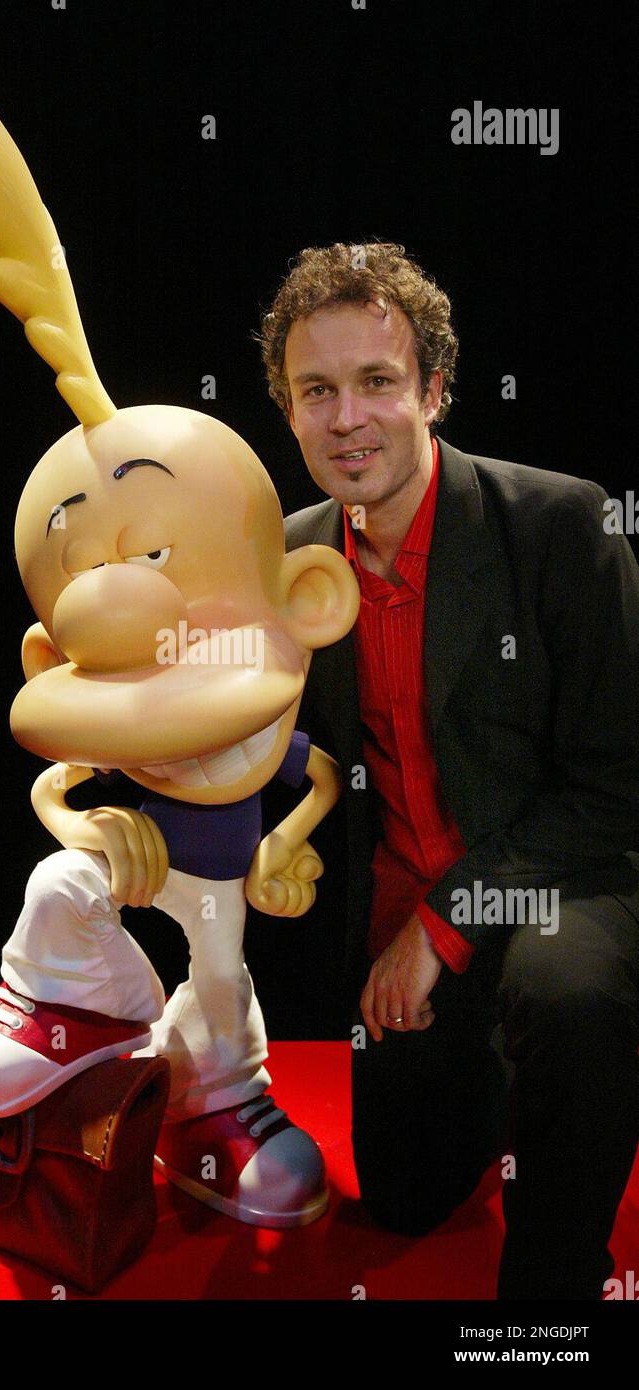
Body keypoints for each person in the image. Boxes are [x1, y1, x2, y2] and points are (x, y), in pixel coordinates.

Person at [259, 240, 639, 1300]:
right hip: (400, 911)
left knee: (567, 998)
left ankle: (555, 1299)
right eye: (315, 391)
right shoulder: (285, 559)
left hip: (564, 888)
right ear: (287, 411)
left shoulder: (564, 525)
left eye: (377, 382)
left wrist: (443, 925)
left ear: (434, 388)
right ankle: (500, 1082)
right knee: (404, 1198)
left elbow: (616, 790)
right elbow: (215, 717)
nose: (346, 420)